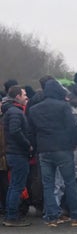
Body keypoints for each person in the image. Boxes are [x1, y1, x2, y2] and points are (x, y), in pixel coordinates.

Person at [26, 77, 77, 226]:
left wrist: (36, 146)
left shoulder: (34, 109)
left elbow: (30, 132)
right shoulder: (63, 106)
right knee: (70, 182)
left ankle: (51, 216)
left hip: (44, 150)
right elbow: (72, 127)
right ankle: (75, 216)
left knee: (48, 184)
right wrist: (76, 142)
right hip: (63, 148)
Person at [2, 86, 33, 226]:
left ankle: (10, 214)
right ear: (17, 96)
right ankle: (12, 216)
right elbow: (15, 131)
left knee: (13, 185)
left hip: (12, 152)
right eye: (24, 94)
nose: (26, 97)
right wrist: (28, 145)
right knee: (17, 186)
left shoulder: (12, 111)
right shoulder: (15, 112)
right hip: (18, 153)